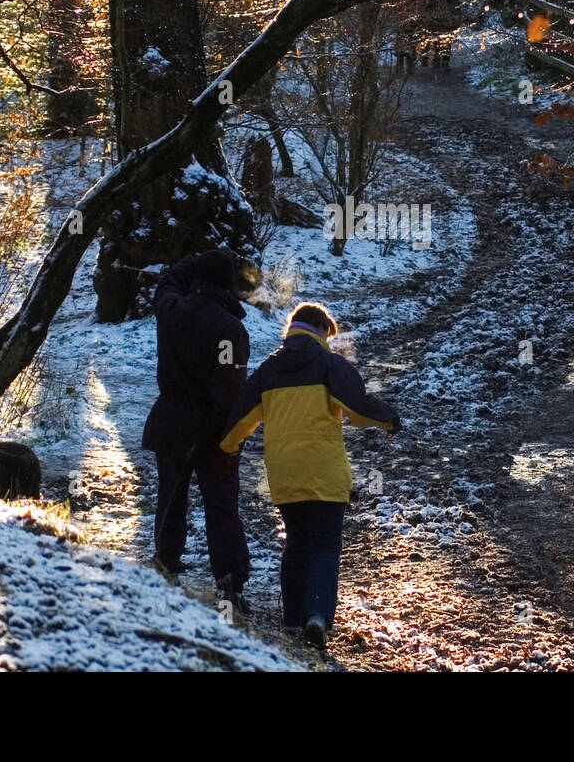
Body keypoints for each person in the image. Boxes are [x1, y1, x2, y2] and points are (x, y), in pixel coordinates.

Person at [221, 302, 400, 652]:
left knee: (296, 544)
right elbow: (359, 406)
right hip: (325, 473)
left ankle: (291, 620)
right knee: (324, 546)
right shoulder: (330, 365)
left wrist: (227, 448)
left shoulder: (267, 371)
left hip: (286, 475)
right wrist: (390, 419)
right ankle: (317, 615)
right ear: (322, 331)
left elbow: (239, 420)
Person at [143, 248, 252, 612]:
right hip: (213, 430)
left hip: (171, 421)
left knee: (171, 498)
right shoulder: (229, 330)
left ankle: (166, 560)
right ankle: (229, 582)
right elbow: (230, 387)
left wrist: (188, 261)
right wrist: (229, 437)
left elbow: (165, 283)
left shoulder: (172, 311)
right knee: (222, 507)